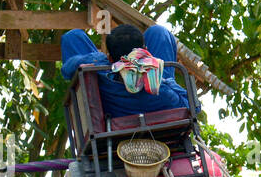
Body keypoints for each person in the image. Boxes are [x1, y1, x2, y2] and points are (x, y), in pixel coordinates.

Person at [61, 23, 197, 118]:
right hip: (156, 100)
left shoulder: (102, 78)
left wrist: (97, 59)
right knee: (159, 33)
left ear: (110, 58)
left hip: (114, 103)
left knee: (72, 36)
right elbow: (193, 107)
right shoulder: (164, 92)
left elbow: (67, 69)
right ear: (146, 52)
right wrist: (164, 79)